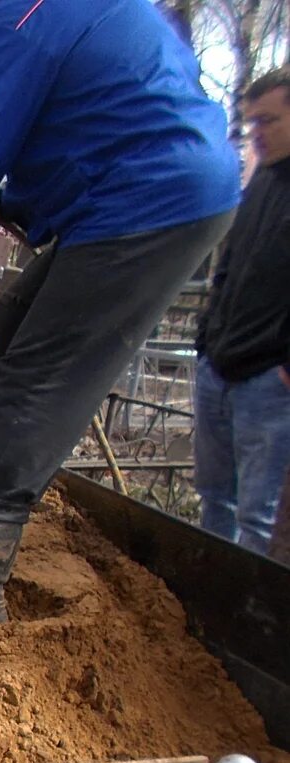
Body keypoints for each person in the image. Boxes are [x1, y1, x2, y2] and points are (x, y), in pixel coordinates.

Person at [0, 0, 239, 621]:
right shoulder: (50, 12)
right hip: (147, 182)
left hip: (149, 197)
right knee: (17, 306)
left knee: (42, 377)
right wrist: (7, 204)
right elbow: (81, 129)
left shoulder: (15, 21)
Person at [193, 66, 290, 556]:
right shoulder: (262, 181)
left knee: (257, 515)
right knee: (215, 499)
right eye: (251, 123)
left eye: (268, 121)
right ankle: (210, 598)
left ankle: (244, 619)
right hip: (219, 366)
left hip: (268, 382)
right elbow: (228, 267)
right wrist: (206, 339)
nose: (256, 134)